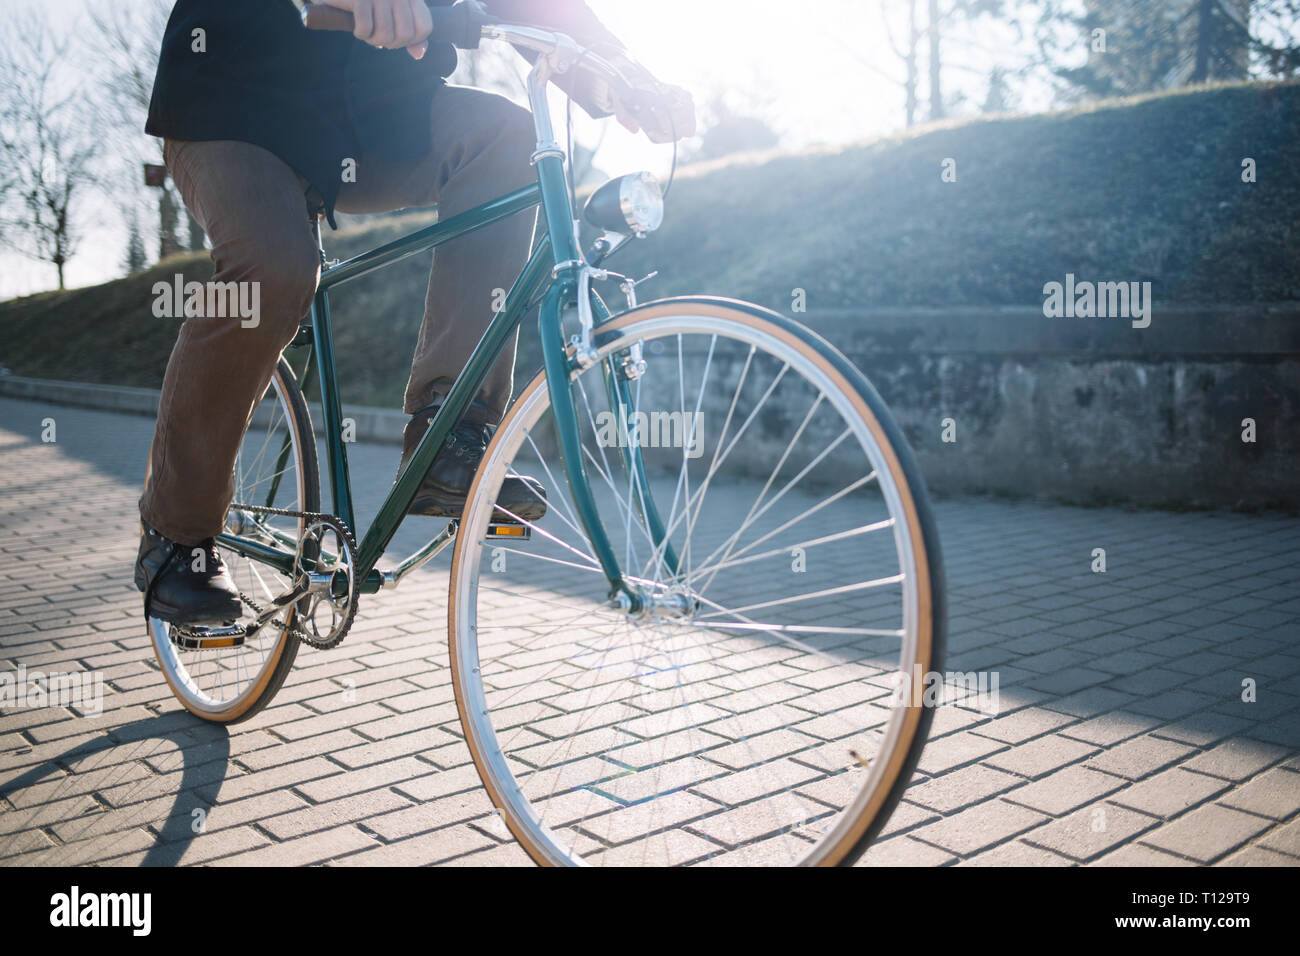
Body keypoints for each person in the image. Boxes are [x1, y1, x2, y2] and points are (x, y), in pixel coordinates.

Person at [133, 0, 695, 626]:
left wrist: (621, 73)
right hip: (232, 104)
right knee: (273, 268)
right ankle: (173, 538)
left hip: (368, 116)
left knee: (505, 139)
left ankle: (446, 432)